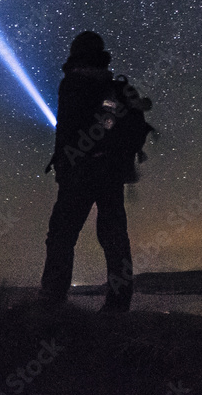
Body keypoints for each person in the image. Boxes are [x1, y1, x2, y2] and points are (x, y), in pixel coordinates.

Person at [40, 31, 142, 314]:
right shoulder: (112, 87)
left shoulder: (73, 83)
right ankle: (118, 305)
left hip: (80, 172)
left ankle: (52, 301)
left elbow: (66, 130)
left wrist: (65, 167)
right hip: (112, 171)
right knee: (114, 236)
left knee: (61, 235)